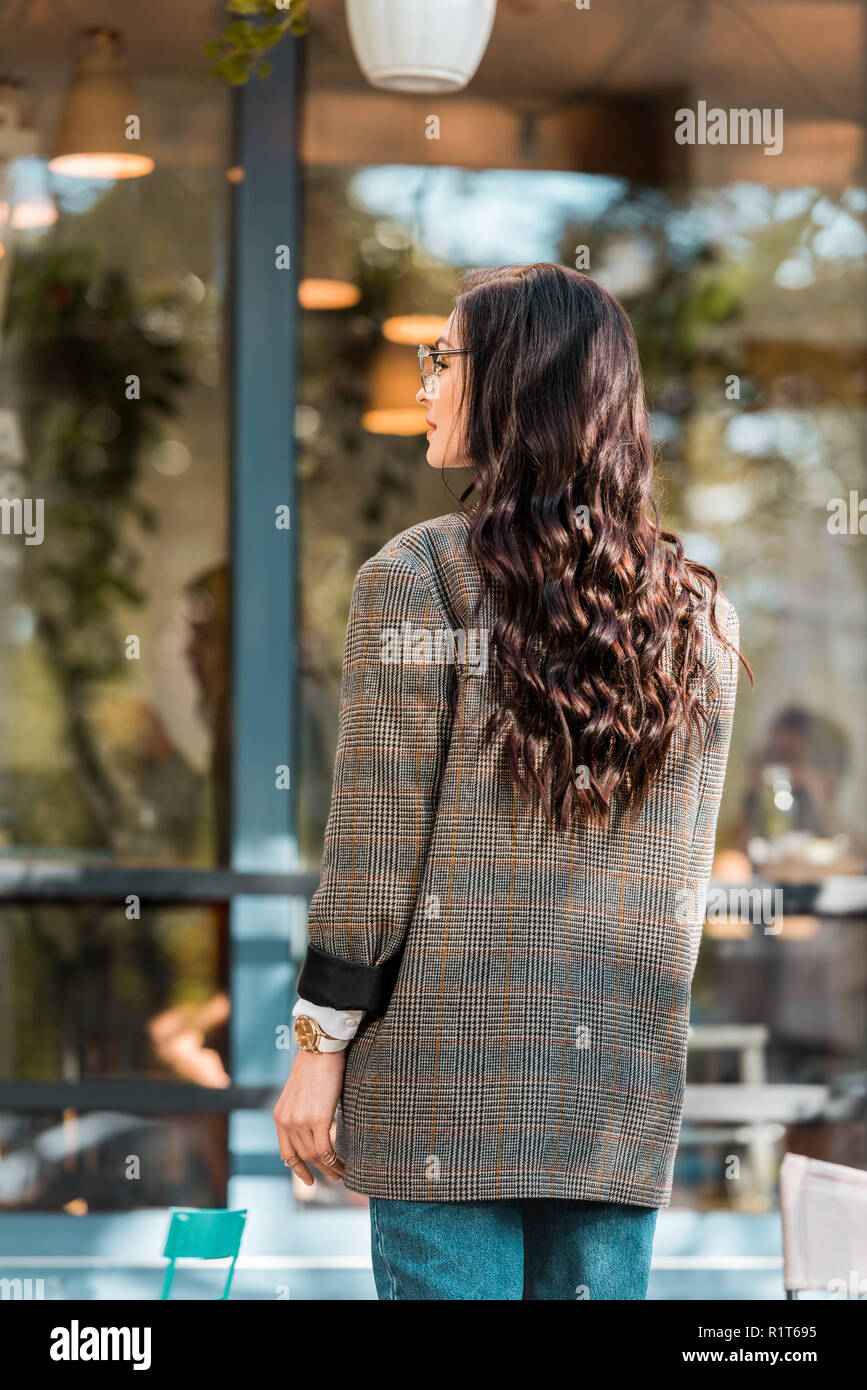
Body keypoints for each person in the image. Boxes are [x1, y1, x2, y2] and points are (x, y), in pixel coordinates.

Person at [273, 263, 751, 1300]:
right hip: (616, 1100)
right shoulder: (702, 619)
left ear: (514, 386)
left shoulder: (420, 577)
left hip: (445, 1090)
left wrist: (316, 1045)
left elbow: (372, 853)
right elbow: (679, 897)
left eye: (441, 359)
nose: (425, 386)